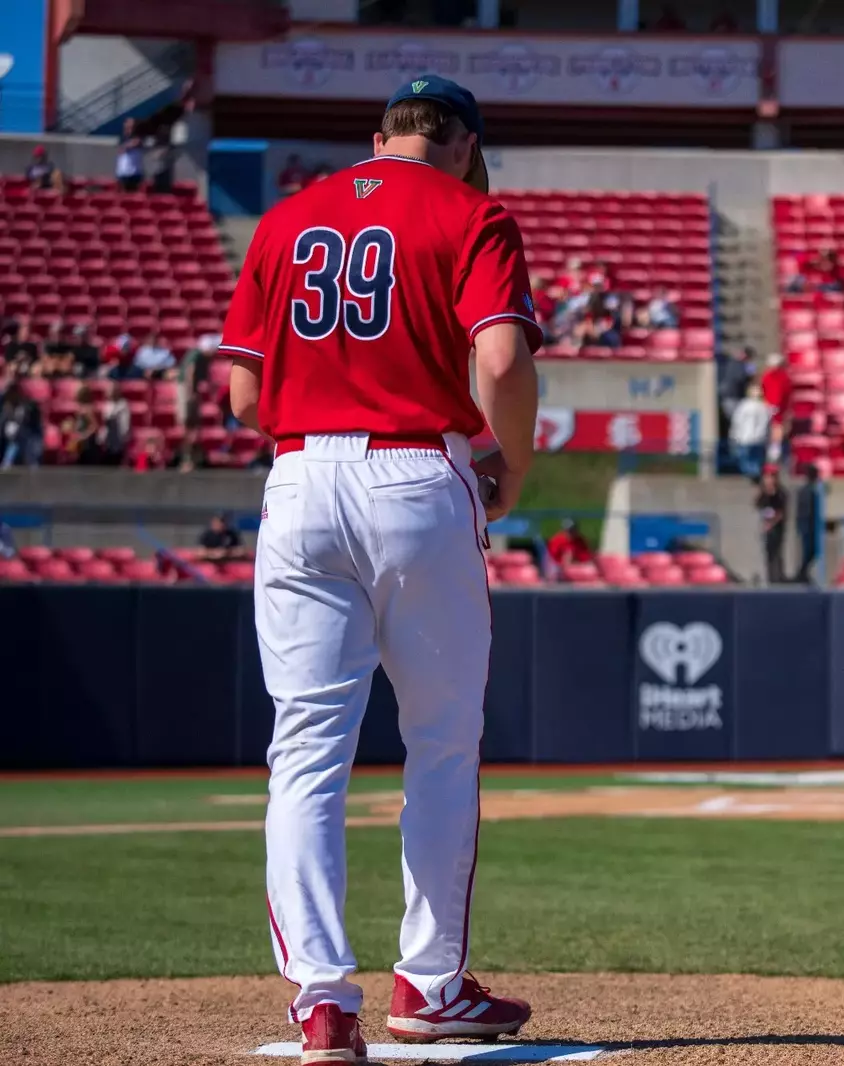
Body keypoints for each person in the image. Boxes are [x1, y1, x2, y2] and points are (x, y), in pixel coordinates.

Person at [220, 76, 540, 1062]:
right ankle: (430, 983)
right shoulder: (472, 212)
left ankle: (322, 1001)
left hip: (298, 476)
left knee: (306, 750)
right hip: (416, 472)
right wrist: (514, 462)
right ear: (465, 145)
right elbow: (500, 361)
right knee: (441, 742)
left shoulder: (286, 219)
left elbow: (241, 396)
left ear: (379, 137)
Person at [755, 466, 787, 585]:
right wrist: (765, 492)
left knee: (776, 553)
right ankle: (771, 578)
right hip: (767, 527)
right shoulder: (764, 493)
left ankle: (778, 578)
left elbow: (781, 512)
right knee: (769, 553)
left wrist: (771, 523)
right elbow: (758, 504)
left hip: (776, 528)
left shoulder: (780, 493)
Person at [794, 463, 821, 584]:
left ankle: (802, 573)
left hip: (811, 526)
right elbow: (805, 511)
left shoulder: (814, 490)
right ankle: (801, 574)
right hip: (808, 527)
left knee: (813, 551)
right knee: (809, 551)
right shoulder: (807, 491)